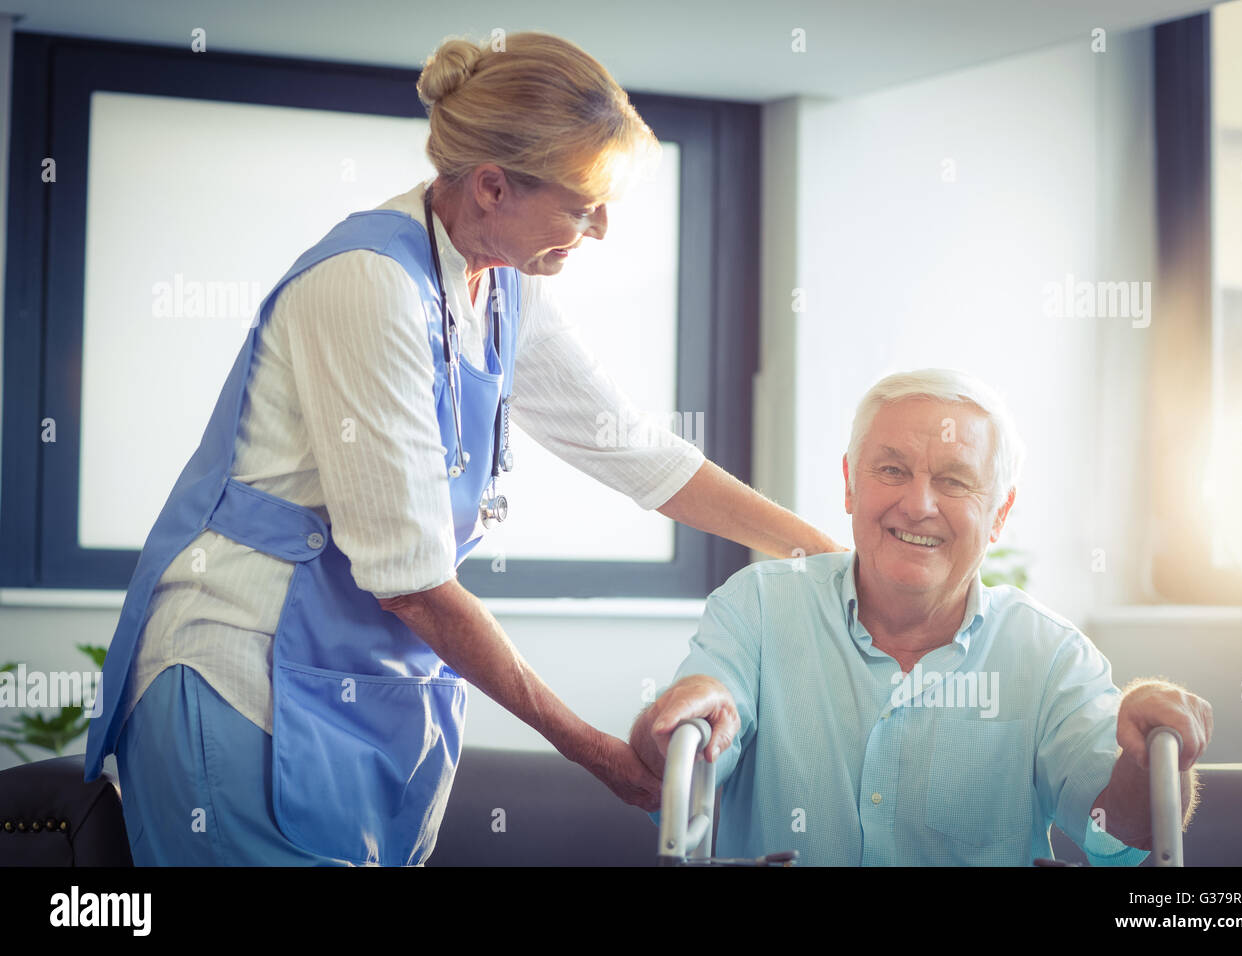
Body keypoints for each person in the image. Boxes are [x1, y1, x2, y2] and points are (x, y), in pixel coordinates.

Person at [83, 31, 845, 866]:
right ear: (491, 187)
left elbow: (640, 455)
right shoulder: (368, 284)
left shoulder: (506, 280)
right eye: (583, 204)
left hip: (354, 681)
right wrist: (592, 749)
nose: (599, 231)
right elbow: (411, 583)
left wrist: (834, 562)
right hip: (241, 678)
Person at [631, 368, 1214, 865]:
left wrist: (1150, 756)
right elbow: (674, 779)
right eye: (891, 470)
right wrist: (673, 716)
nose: (918, 504)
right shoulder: (756, 608)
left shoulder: (1050, 654)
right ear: (850, 484)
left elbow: (1119, 832)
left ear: (1000, 513)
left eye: (954, 480)